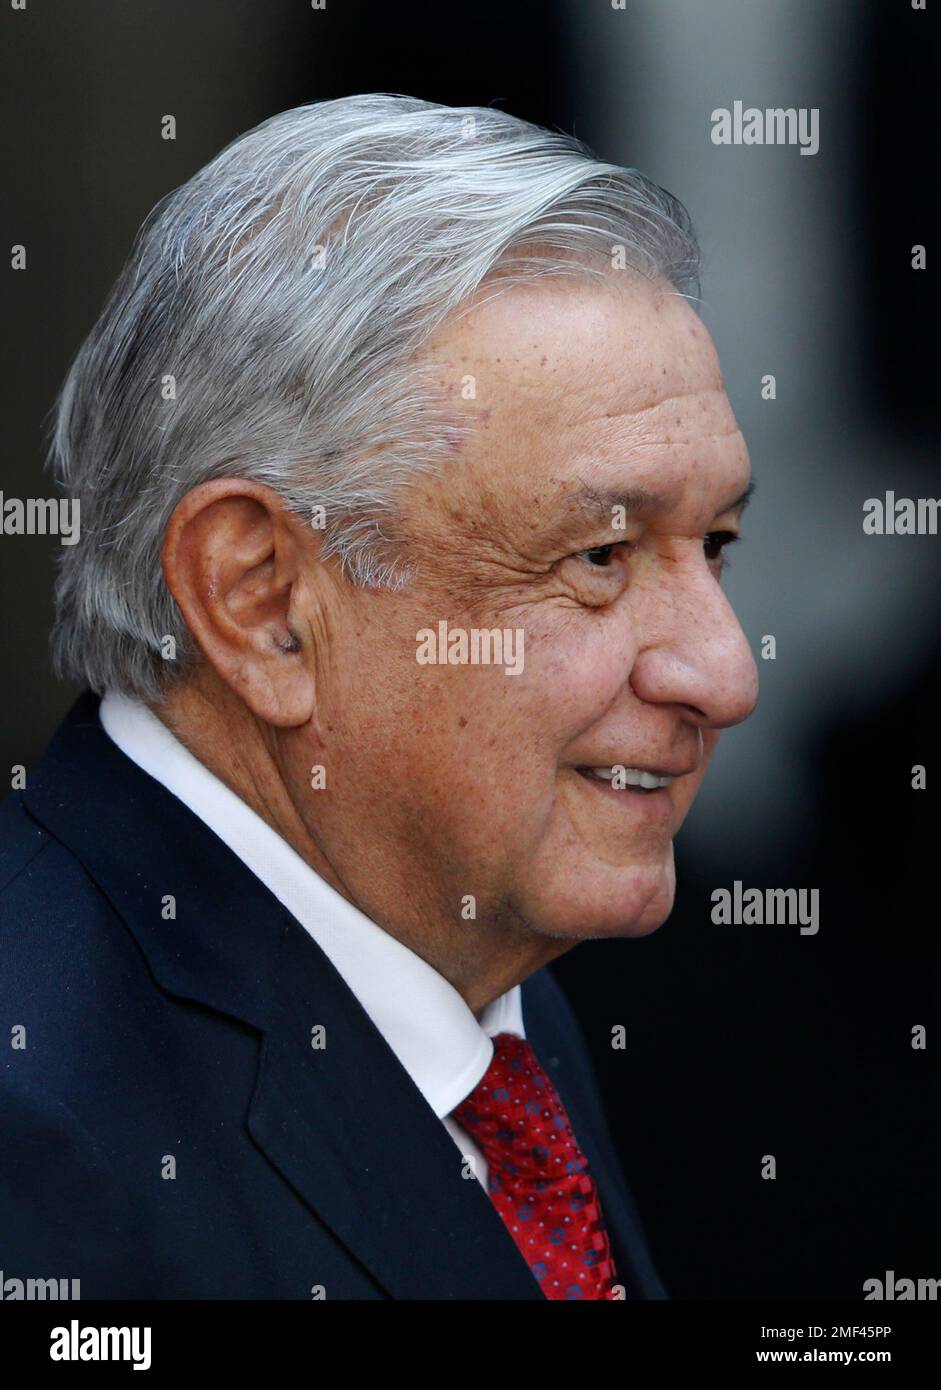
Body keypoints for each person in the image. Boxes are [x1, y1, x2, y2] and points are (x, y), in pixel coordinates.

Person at [0, 94, 757, 1300]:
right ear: (262, 601)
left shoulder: (472, 970)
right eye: (598, 557)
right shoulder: (37, 1138)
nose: (724, 672)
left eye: (712, 543)